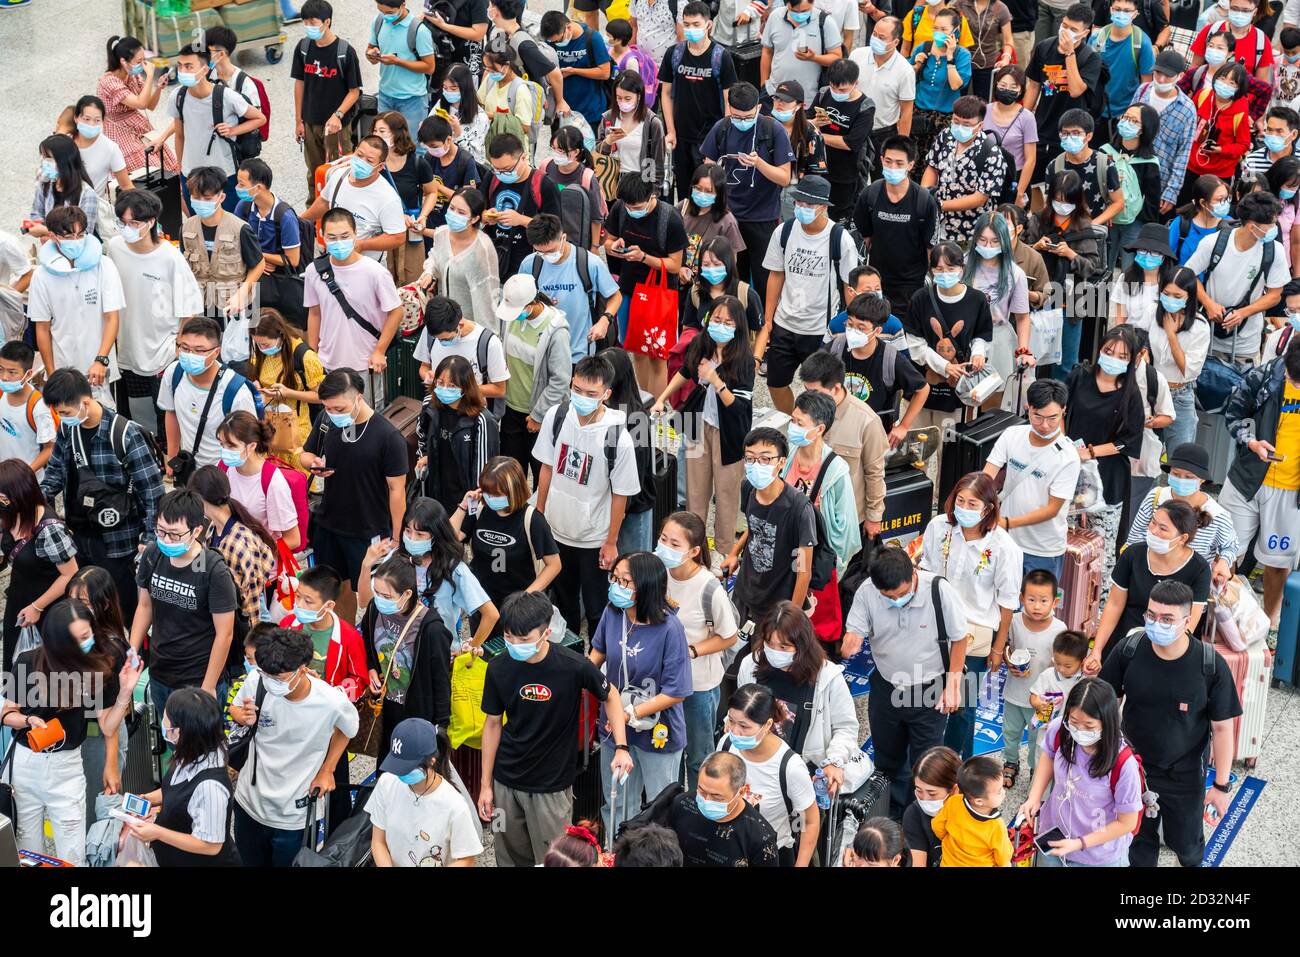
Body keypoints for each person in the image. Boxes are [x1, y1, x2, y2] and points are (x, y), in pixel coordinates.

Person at [479, 591, 633, 866]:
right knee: (507, 857)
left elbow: (611, 695)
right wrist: (485, 785)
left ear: (546, 632)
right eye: (509, 637)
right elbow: (492, 724)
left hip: (551, 787)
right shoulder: (498, 666)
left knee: (553, 860)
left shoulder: (574, 666)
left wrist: (621, 747)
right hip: (506, 782)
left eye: (523, 639)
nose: (514, 644)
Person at [1099, 581, 1241, 867]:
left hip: (1185, 776)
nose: (1156, 623)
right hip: (1133, 771)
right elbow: (1105, 705)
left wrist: (1221, 787)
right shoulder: (1129, 650)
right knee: (1137, 844)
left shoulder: (1209, 665)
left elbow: (1223, 730)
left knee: (1187, 848)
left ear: (1187, 621)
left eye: (1166, 619)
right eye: (1151, 615)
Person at [0, 599, 139, 866]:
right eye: (80, 638)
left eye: (88, 635)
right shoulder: (29, 662)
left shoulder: (97, 667)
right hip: (26, 763)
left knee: (73, 850)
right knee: (28, 848)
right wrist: (28, 720)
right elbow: (7, 713)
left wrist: (125, 691)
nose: (87, 644)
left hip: (68, 765)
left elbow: (107, 726)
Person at [842, 545, 967, 815]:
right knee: (887, 757)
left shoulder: (939, 591)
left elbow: (959, 637)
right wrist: (852, 638)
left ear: (913, 572)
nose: (897, 600)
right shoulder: (867, 592)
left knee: (925, 762)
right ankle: (891, 814)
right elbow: (856, 628)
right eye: (889, 597)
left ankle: (920, 817)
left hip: (929, 689)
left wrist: (953, 682)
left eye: (902, 593)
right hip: (887, 686)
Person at [39, 368, 164, 625]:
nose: (62, 418)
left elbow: (153, 494)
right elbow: (54, 474)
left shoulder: (125, 434)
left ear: (85, 402)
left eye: (64, 412)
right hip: (79, 536)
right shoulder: (67, 430)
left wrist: (149, 539)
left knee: (123, 611)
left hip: (119, 542)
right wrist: (34, 502)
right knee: (86, 610)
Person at [228, 627, 359, 867]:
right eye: (265, 674)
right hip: (249, 803)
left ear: (302, 670)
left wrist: (328, 769)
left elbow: (348, 729)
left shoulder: (329, 701)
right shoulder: (258, 679)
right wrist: (242, 715)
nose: (270, 683)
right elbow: (235, 707)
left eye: (277, 678)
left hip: (294, 816)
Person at [533, 355, 640, 637]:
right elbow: (546, 466)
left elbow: (621, 495)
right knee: (563, 605)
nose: (581, 397)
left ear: (606, 394)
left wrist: (611, 542)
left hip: (594, 539)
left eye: (591, 393)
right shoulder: (556, 416)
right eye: (577, 389)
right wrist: (539, 514)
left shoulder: (619, 437)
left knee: (596, 609)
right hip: (556, 531)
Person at [920, 471, 1021, 759]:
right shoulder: (939, 527)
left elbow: (1006, 604)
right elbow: (927, 571)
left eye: (972, 504)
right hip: (934, 624)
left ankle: (954, 762)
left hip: (974, 633)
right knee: (927, 693)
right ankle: (928, 756)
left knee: (963, 705)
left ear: (989, 508)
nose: (963, 508)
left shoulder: (1003, 547)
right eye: (960, 500)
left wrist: (998, 648)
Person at [590, 551, 691, 833]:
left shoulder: (670, 629)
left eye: (626, 582)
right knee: (617, 804)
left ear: (646, 587)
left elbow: (676, 691)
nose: (617, 586)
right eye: (614, 578)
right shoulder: (613, 612)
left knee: (661, 809)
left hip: (658, 730)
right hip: (614, 725)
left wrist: (630, 713)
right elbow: (596, 656)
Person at [301, 368, 410, 623]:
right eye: (327, 408)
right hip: (329, 523)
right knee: (334, 588)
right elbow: (305, 454)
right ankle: (343, 637)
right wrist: (313, 463)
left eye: (339, 408)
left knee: (369, 596)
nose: (333, 414)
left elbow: (397, 490)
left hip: (367, 528)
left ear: (359, 397)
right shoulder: (326, 421)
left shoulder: (388, 437)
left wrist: (396, 536)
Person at [651, 296, 754, 561]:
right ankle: (692, 551)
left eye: (727, 321)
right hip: (698, 425)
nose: (720, 325)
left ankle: (723, 554)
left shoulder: (744, 360)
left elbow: (738, 407)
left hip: (728, 435)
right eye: (716, 320)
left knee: (726, 495)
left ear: (738, 326)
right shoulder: (701, 344)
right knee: (695, 491)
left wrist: (715, 380)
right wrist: (662, 398)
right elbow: (685, 372)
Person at [754, 176, 859, 415]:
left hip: (820, 330)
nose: (802, 208)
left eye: (809, 204)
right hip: (785, 323)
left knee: (818, 388)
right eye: (799, 202)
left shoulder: (840, 239)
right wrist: (768, 320)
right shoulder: (785, 231)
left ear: (823, 206)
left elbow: (848, 286)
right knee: (775, 382)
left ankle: (817, 427)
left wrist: (850, 328)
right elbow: (776, 274)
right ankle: (795, 418)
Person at [1220, 338, 1300, 647]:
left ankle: (1267, 624)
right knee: (1227, 552)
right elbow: (1233, 414)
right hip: (1247, 479)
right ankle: (1223, 617)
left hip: (1290, 491)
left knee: (1277, 563)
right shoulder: (1266, 376)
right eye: (1293, 377)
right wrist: (1251, 441)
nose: (1295, 383)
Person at [736, 600, 860, 799]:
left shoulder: (827, 677)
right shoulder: (750, 666)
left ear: (801, 645)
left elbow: (845, 727)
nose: (775, 651)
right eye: (769, 643)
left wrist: (834, 760)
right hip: (758, 768)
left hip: (805, 774)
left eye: (784, 647)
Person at [651, 512, 738, 785]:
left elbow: (729, 636)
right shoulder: (657, 574)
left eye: (675, 544)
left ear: (695, 551)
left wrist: (691, 651)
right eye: (663, 539)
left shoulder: (708, 588)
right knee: (666, 750)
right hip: (662, 684)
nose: (666, 547)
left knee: (698, 757)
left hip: (698, 685)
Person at [1016, 678, 1142, 867]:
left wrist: (1079, 843)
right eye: (1073, 721)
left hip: (1098, 855)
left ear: (1107, 722)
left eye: (1089, 726)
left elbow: (1127, 823)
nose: (1079, 730)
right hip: (1053, 838)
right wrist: (1034, 797)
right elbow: (1048, 756)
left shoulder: (1123, 765)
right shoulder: (1061, 729)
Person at [107, 189, 203, 433]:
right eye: (122, 222)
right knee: (139, 415)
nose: (127, 228)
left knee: (166, 414)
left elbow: (190, 307)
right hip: (128, 352)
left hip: (163, 353)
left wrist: (179, 345)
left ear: (151, 222)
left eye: (134, 222)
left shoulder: (170, 258)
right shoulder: (115, 247)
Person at [1089, 499, 1213, 674]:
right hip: (1124, 638)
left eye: (1163, 528)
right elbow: (1114, 604)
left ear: (1182, 538)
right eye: (1153, 522)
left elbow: (1189, 623)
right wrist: (1097, 650)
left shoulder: (1199, 569)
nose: (1153, 531)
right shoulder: (1133, 554)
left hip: (1168, 645)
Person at [122, 687, 239, 866]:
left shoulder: (210, 787)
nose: (163, 721)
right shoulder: (191, 751)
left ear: (181, 731)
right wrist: (148, 799)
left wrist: (157, 832)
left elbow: (210, 845)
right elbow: (178, 790)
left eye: (167, 717)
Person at [700, 82, 795, 300]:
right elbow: (708, 169)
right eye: (737, 117)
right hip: (728, 217)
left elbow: (784, 177)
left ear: (759, 109)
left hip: (763, 218)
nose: (742, 122)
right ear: (730, 109)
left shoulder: (773, 130)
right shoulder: (722, 128)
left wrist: (759, 163)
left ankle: (763, 325)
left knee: (763, 279)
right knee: (731, 278)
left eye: (748, 117)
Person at [357, 552, 455, 763]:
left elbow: (441, 681)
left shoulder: (432, 630)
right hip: (385, 710)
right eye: (377, 592)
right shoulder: (375, 610)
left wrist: (440, 729)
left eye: (387, 596)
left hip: (416, 716)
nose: (379, 600)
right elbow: (366, 642)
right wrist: (371, 668)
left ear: (407, 594)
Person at [781, 390, 862, 644]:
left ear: (819, 429)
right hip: (784, 551)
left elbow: (845, 528)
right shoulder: (789, 453)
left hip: (813, 560)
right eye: (793, 420)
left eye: (800, 423)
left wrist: (830, 568)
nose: (793, 427)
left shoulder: (835, 470)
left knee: (810, 626)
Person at [304, 208, 404, 411]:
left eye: (344, 236)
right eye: (332, 237)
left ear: (355, 234)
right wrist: (312, 353)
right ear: (322, 236)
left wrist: (379, 351)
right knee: (332, 416)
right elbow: (314, 313)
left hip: (364, 364)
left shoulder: (375, 273)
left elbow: (396, 312)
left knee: (363, 418)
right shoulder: (314, 271)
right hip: (327, 362)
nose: (338, 242)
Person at [1065, 326, 1145, 576]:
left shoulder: (1130, 394)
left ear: (1131, 360)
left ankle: (1098, 606)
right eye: (1109, 351)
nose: (1113, 359)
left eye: (1122, 356)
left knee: (1102, 550)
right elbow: (1059, 408)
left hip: (1107, 477)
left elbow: (1129, 441)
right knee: (1063, 539)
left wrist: (1091, 452)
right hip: (1069, 470)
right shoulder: (1079, 377)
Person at [449, 456, 562, 633]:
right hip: (483, 602)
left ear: (513, 490)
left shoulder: (532, 520)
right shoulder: (479, 510)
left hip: (518, 607)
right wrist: (463, 507)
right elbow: (450, 538)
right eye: (487, 492)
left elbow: (554, 565)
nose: (490, 498)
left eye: (496, 494)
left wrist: (526, 596)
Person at [719, 427, 818, 628]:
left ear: (781, 462)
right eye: (750, 458)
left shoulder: (799, 509)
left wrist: (792, 617)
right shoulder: (748, 487)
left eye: (765, 459)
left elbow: (803, 570)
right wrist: (733, 553)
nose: (757, 465)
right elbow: (753, 525)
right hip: (745, 589)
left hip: (777, 600)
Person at [982, 378, 1080, 579]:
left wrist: (1009, 522)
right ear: (1028, 408)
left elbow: (1052, 509)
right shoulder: (1012, 435)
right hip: (1004, 539)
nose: (1044, 425)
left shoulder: (1068, 456)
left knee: (1035, 608)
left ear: (1064, 411)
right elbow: (987, 476)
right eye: (1037, 417)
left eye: (1052, 418)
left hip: (1042, 549)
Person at [27, 206, 121, 407]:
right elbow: (42, 328)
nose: (76, 241)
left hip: (100, 366)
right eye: (68, 236)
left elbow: (112, 317)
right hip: (64, 364)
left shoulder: (104, 265)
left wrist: (101, 359)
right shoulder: (41, 276)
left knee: (105, 418)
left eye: (80, 234)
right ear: (52, 236)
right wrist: (52, 374)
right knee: (69, 422)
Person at [154, 44, 266, 213]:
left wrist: (232, 130)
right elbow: (180, 135)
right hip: (191, 176)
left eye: (189, 66)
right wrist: (182, 171)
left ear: (205, 69)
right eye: (180, 65)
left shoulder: (226, 96)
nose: (182, 71)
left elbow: (259, 118)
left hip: (224, 176)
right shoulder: (177, 96)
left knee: (230, 227)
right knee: (198, 225)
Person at [717, 683, 819, 866]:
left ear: (768, 725)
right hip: (728, 847)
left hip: (772, 855)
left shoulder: (790, 767)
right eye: (731, 720)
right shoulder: (727, 744)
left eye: (744, 726)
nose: (734, 731)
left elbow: (810, 821)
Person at [1188, 191, 1287, 370]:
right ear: (1251, 227)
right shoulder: (1213, 243)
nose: (1275, 228)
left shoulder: (1275, 250)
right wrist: (1208, 303)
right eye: (1271, 224)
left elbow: (1275, 295)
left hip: (1245, 344)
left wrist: (1243, 313)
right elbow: (1188, 275)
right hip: (1207, 335)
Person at [902, 242, 993, 430]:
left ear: (961, 268)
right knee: (917, 444)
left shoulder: (976, 299)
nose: (945, 274)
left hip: (958, 386)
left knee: (950, 444)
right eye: (939, 269)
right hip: (922, 384)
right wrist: (945, 366)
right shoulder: (920, 298)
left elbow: (981, 335)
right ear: (931, 270)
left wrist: (978, 353)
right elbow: (915, 345)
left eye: (951, 268)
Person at [370, 717, 484, 867]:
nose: (400, 773)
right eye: (398, 765)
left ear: (431, 760)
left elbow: (467, 859)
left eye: (408, 767)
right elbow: (378, 842)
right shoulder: (386, 783)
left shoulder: (455, 805)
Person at [0, 460, 77, 676]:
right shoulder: (10, 514)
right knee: (15, 668)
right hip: (18, 599)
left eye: (4, 499)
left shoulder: (49, 529)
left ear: (20, 494)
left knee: (45, 671)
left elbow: (70, 574)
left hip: (47, 607)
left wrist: (37, 607)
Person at [818, 305, 928, 456]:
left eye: (861, 327)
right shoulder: (835, 348)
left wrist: (903, 426)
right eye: (849, 324)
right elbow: (812, 378)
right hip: (835, 432)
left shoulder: (891, 358)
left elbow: (922, 389)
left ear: (877, 331)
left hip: (874, 436)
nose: (852, 331)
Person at [1125, 443, 1239, 590]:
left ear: (1202, 479)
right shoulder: (1156, 497)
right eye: (1176, 474)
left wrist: (1224, 561)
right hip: (1148, 578)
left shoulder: (1217, 515)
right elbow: (1135, 537)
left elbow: (1230, 545)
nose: (1181, 479)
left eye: (1189, 477)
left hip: (1190, 587)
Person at [1026, 170, 1102, 379]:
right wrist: (1036, 247)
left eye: (1067, 201)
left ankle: (1061, 406)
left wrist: (1071, 254)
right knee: (1031, 358)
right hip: (1039, 298)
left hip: (1070, 301)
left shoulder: (1084, 225)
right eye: (1057, 200)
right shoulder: (1038, 221)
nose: (1061, 205)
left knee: (1066, 363)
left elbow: (1092, 266)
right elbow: (1020, 254)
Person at [158, 317, 260, 473]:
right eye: (184, 348)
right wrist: (172, 456)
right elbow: (171, 412)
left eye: (199, 350)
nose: (190, 355)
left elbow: (250, 440)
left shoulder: (235, 391)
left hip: (224, 475)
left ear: (216, 352)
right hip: (188, 469)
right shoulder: (173, 373)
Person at [660, 5, 739, 204]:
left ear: (708, 25)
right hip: (681, 136)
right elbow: (666, 93)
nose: (690, 29)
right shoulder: (674, 54)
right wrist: (670, 131)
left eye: (696, 24)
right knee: (686, 193)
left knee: (708, 192)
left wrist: (722, 138)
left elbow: (729, 100)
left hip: (709, 138)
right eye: (686, 24)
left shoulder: (721, 56)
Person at [188, 464, 276, 640]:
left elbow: (251, 605)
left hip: (243, 625)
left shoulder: (240, 544)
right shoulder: (214, 526)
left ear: (202, 499)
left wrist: (248, 644)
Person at [497, 274, 572, 479]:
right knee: (511, 473)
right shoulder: (511, 319)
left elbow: (561, 380)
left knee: (541, 474)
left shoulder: (556, 331)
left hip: (538, 415)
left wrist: (539, 415)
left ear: (532, 303)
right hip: (511, 409)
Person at [521, 213, 621, 365]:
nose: (546, 256)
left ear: (563, 238)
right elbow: (522, 300)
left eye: (551, 251)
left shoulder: (589, 263)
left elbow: (615, 296)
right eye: (540, 252)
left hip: (580, 353)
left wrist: (604, 320)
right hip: (542, 352)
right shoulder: (530, 264)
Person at [854, 135, 940, 311]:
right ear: (881, 160)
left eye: (899, 163)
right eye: (888, 161)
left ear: (910, 164)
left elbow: (931, 248)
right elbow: (866, 238)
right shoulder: (870, 195)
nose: (893, 167)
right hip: (877, 283)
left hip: (912, 286)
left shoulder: (924, 201)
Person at [999, 569, 1066, 787]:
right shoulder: (1014, 621)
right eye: (1031, 599)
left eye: (1043, 600)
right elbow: (1006, 646)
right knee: (1010, 731)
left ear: (1054, 602)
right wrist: (1009, 662)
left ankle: (1035, 769)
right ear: (1021, 599)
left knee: (1036, 739)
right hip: (1014, 692)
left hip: (1041, 700)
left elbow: (1061, 662)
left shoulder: (1059, 629)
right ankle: (1010, 762)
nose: (1037, 606)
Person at [292, 0, 363, 200]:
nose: (308, 27)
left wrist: (338, 116)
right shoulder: (303, 47)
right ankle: (313, 217)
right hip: (310, 122)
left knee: (339, 171)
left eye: (313, 22)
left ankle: (342, 211)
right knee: (314, 172)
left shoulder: (344, 52)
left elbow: (354, 91)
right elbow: (300, 84)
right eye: (305, 22)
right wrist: (299, 120)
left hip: (336, 127)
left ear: (327, 22)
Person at [178, 166, 265, 326]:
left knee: (239, 348)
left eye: (207, 198)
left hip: (236, 304)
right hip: (202, 304)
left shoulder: (240, 228)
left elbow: (259, 264)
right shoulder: (186, 229)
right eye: (196, 197)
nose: (201, 203)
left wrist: (242, 292)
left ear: (221, 197)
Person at [1023, 3, 1102, 179]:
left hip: (1070, 134)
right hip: (1042, 128)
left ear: (1084, 33)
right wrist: (1023, 118)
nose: (1066, 32)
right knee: (1036, 184)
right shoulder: (1044, 47)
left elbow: (1076, 90)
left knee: (1063, 185)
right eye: (1064, 26)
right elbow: (1034, 86)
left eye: (1073, 29)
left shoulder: (1091, 58)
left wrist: (1069, 54)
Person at [414, 355, 500, 514]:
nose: (444, 389)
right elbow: (422, 434)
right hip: (435, 493)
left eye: (452, 385)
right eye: (440, 383)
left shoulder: (481, 420)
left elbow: (484, 470)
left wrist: (470, 508)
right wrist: (426, 455)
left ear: (466, 387)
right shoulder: (430, 406)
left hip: (464, 500)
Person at [277, 564, 367, 707]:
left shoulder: (349, 637)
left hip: (327, 711)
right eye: (298, 596)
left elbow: (359, 679)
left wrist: (330, 692)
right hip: (289, 704)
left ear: (329, 606)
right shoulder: (287, 625)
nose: (299, 605)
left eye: (308, 601)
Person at [248, 309, 326, 471]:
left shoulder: (304, 357)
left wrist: (288, 393)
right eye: (258, 344)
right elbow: (256, 378)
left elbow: (322, 396)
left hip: (297, 427)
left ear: (281, 336)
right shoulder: (260, 354)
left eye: (265, 344)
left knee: (296, 475)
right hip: (268, 423)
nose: (262, 348)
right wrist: (256, 387)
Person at [415, 188, 502, 335]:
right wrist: (429, 272)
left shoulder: (482, 249)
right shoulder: (442, 233)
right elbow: (435, 257)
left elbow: (486, 299)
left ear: (474, 218)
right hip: (442, 322)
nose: (453, 215)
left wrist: (485, 337)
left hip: (468, 327)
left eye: (461, 213)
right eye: (452, 208)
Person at [965, 211, 1032, 396]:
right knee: (965, 398)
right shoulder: (962, 265)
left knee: (994, 398)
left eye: (995, 241)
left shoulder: (1014, 273)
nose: (988, 246)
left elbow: (1022, 317)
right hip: (965, 335)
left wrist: (1023, 350)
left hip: (999, 337)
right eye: (983, 240)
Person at [483, 133, 563, 282]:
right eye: (496, 169)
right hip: (495, 255)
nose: (502, 174)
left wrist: (520, 220)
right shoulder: (492, 177)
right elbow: (479, 209)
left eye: (507, 169)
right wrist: (486, 216)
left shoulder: (544, 184)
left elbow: (554, 229)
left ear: (523, 158)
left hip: (528, 261)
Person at [1131, 48, 1197, 218]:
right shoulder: (1143, 91)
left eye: (1167, 76)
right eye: (1158, 73)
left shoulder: (1187, 110)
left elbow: (1183, 154)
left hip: (1160, 181)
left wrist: (1171, 192)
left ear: (1180, 76)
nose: (1161, 79)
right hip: (1131, 172)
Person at [100, 35, 178, 178]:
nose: (143, 65)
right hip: (119, 131)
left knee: (164, 164)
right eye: (139, 61)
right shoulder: (109, 82)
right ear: (123, 61)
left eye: (144, 60)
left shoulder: (132, 76)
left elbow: (149, 105)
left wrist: (158, 88)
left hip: (138, 126)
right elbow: (141, 103)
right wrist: (149, 76)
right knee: (149, 169)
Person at [372, 112, 436, 287]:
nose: (377, 136)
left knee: (412, 281)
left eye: (382, 131)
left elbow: (431, 192)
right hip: (379, 231)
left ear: (397, 133)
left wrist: (423, 216)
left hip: (411, 233)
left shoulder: (417, 163)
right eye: (375, 131)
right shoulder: (371, 163)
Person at [412, 296, 507, 410]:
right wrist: (428, 377)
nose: (441, 342)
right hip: (439, 408)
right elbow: (424, 367)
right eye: (438, 339)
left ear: (460, 325)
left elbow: (499, 389)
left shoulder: (488, 342)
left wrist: (460, 389)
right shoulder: (430, 332)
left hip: (471, 411)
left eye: (446, 339)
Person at [811, 59, 874, 221]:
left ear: (856, 83)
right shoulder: (824, 93)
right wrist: (813, 124)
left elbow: (850, 143)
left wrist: (818, 134)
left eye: (842, 89)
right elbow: (806, 120)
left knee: (837, 217)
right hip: (817, 167)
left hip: (844, 175)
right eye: (833, 87)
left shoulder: (865, 106)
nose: (837, 92)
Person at [366, 0, 437, 141]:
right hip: (385, 95)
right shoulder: (379, 21)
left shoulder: (419, 30)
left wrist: (397, 62)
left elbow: (429, 67)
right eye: (381, 11)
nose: (385, 16)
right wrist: (372, 54)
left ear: (403, 4)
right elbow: (370, 48)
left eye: (390, 13)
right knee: (384, 144)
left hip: (412, 99)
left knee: (413, 145)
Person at [910, 9, 974, 166]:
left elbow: (956, 85)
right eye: (935, 28)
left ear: (955, 31)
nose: (938, 33)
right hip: (919, 115)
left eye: (944, 29)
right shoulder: (922, 48)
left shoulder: (962, 55)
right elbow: (905, 80)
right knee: (916, 162)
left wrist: (950, 58)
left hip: (946, 118)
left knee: (941, 163)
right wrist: (915, 66)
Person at [929, 755, 1012, 866]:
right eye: (998, 791)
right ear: (979, 801)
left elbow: (937, 826)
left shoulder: (953, 802)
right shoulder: (996, 826)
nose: (1003, 792)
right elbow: (1003, 858)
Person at [1089, 0, 1155, 140]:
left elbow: (1146, 84)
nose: (1121, 13)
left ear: (1136, 14)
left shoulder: (1141, 42)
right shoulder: (1097, 37)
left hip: (1124, 115)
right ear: (1111, 10)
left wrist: (1133, 116)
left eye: (1126, 11)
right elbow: (1087, 72)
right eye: (1117, 9)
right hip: (1095, 112)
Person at [599, 71, 669, 200]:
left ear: (639, 96)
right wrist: (607, 142)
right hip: (612, 183)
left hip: (640, 183)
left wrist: (654, 193)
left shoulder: (653, 123)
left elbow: (658, 162)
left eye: (627, 98)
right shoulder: (608, 118)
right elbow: (597, 153)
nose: (622, 102)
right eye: (618, 98)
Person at [766, 81, 830, 221]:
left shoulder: (811, 133)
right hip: (768, 192)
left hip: (798, 195)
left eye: (786, 101)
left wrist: (806, 203)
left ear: (800, 105)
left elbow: (817, 176)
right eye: (776, 98)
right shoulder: (766, 127)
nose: (779, 104)